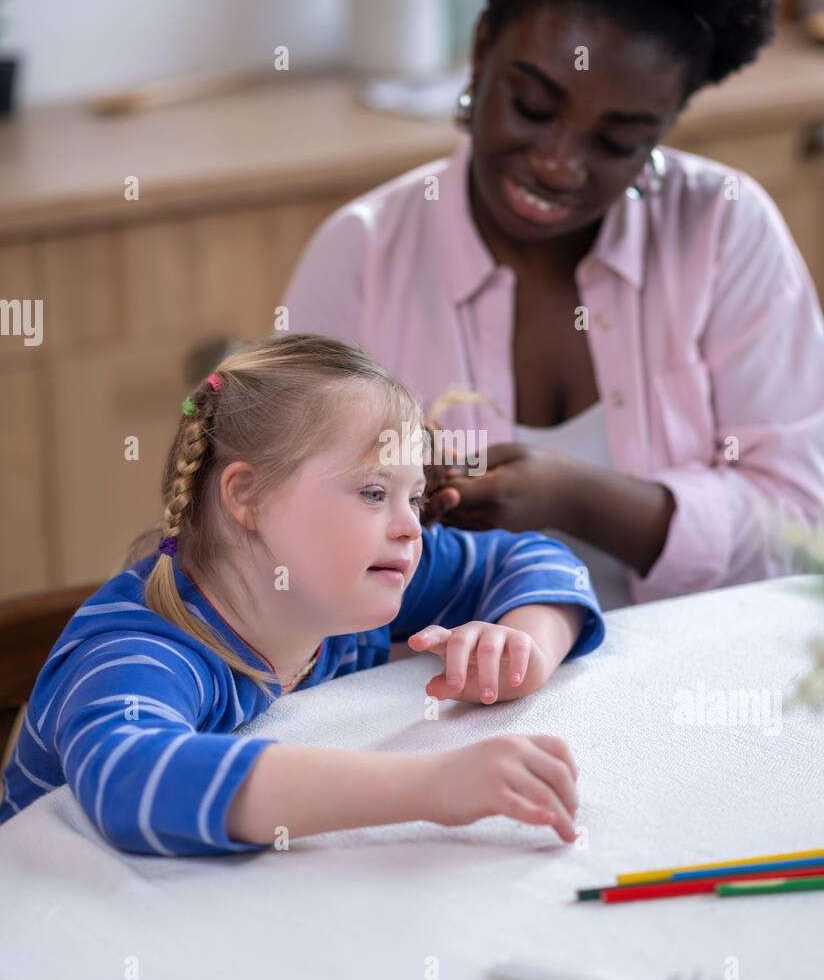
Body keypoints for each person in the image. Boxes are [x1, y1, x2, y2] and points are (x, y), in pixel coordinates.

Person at [278, 0, 824, 611]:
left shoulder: (725, 229)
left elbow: (801, 525)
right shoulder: (364, 252)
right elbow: (286, 531)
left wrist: (585, 500)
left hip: (690, 677)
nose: (558, 165)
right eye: (534, 107)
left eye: (617, 141)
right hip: (443, 692)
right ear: (481, 51)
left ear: (667, 126)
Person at [0, 334, 604, 857]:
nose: (410, 527)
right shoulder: (142, 650)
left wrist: (522, 647)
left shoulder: (347, 578)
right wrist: (430, 786)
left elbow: (532, 558)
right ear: (248, 498)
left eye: (413, 497)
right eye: (372, 492)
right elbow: (132, 781)